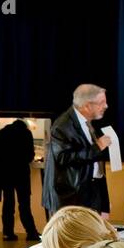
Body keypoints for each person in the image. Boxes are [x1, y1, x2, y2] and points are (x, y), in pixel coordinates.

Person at [42, 84, 112, 218]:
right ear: (86, 105)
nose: (106, 106)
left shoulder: (87, 123)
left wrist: (103, 202)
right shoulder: (62, 125)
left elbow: (94, 166)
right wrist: (97, 147)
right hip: (70, 199)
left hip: (89, 194)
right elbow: (63, 158)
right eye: (101, 102)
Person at [0, 119, 40, 242]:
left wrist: (3, 161)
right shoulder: (26, 133)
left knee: (8, 203)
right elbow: (30, 155)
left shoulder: (1, 133)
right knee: (24, 204)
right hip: (20, 173)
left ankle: (8, 233)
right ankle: (31, 232)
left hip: (4, 173)